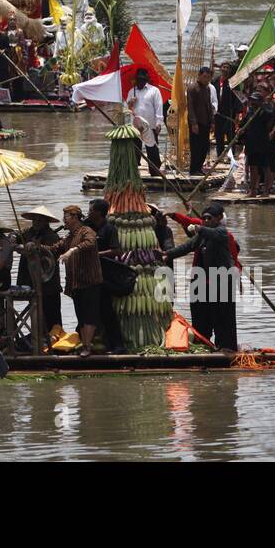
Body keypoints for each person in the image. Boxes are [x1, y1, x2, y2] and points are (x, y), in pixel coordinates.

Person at [163, 202, 238, 351]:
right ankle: (204, 345)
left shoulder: (222, 233)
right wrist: (167, 255)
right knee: (202, 318)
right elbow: (188, 246)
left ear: (219, 218)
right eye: (203, 218)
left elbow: (212, 233)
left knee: (223, 319)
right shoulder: (202, 236)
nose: (205, 221)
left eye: (209, 218)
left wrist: (198, 227)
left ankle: (226, 349)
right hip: (204, 283)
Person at [55, 205, 102, 357]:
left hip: (89, 280)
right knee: (81, 316)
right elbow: (55, 248)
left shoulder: (87, 231)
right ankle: (84, 345)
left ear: (75, 217)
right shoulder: (69, 237)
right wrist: (34, 247)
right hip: (76, 282)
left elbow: (90, 243)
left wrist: (72, 250)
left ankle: (87, 346)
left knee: (89, 315)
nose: (64, 220)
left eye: (66, 217)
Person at [17, 206, 63, 339]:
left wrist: (37, 248)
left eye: (40, 220)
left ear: (46, 222)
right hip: (30, 279)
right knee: (35, 311)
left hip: (48, 281)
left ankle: (56, 340)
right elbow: (14, 235)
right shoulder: (28, 232)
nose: (36, 223)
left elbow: (52, 254)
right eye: (34, 220)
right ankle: (38, 338)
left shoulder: (52, 236)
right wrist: (17, 243)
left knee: (52, 313)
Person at [88, 198, 127, 353]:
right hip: (90, 275)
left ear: (98, 213)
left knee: (107, 311)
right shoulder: (88, 227)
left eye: (91, 210)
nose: (89, 213)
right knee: (93, 312)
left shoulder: (109, 229)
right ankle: (100, 344)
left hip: (104, 276)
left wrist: (96, 254)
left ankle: (118, 346)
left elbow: (117, 251)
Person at [126, 67, 164, 176]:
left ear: (146, 80)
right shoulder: (131, 92)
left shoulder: (154, 91)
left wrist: (158, 123)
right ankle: (133, 172)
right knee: (134, 150)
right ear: (135, 80)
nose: (140, 81)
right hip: (135, 126)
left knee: (152, 149)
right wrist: (130, 103)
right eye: (138, 79)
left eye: (142, 79)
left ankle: (155, 171)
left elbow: (158, 107)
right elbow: (127, 110)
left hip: (150, 125)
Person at [187, 66, 214, 176]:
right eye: (204, 77)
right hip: (196, 122)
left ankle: (199, 167)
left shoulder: (207, 88)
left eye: (208, 77)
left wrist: (212, 121)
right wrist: (193, 123)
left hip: (206, 121)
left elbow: (209, 105)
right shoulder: (193, 88)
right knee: (195, 147)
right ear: (199, 76)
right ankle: (194, 169)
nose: (206, 79)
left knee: (205, 146)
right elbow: (190, 107)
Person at [213, 61, 241, 158]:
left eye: (227, 67)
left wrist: (237, 113)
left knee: (230, 135)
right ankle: (219, 155)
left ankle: (231, 155)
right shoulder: (215, 81)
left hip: (229, 113)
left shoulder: (233, 83)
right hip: (217, 113)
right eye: (223, 67)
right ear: (220, 68)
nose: (225, 69)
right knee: (219, 136)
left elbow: (238, 99)